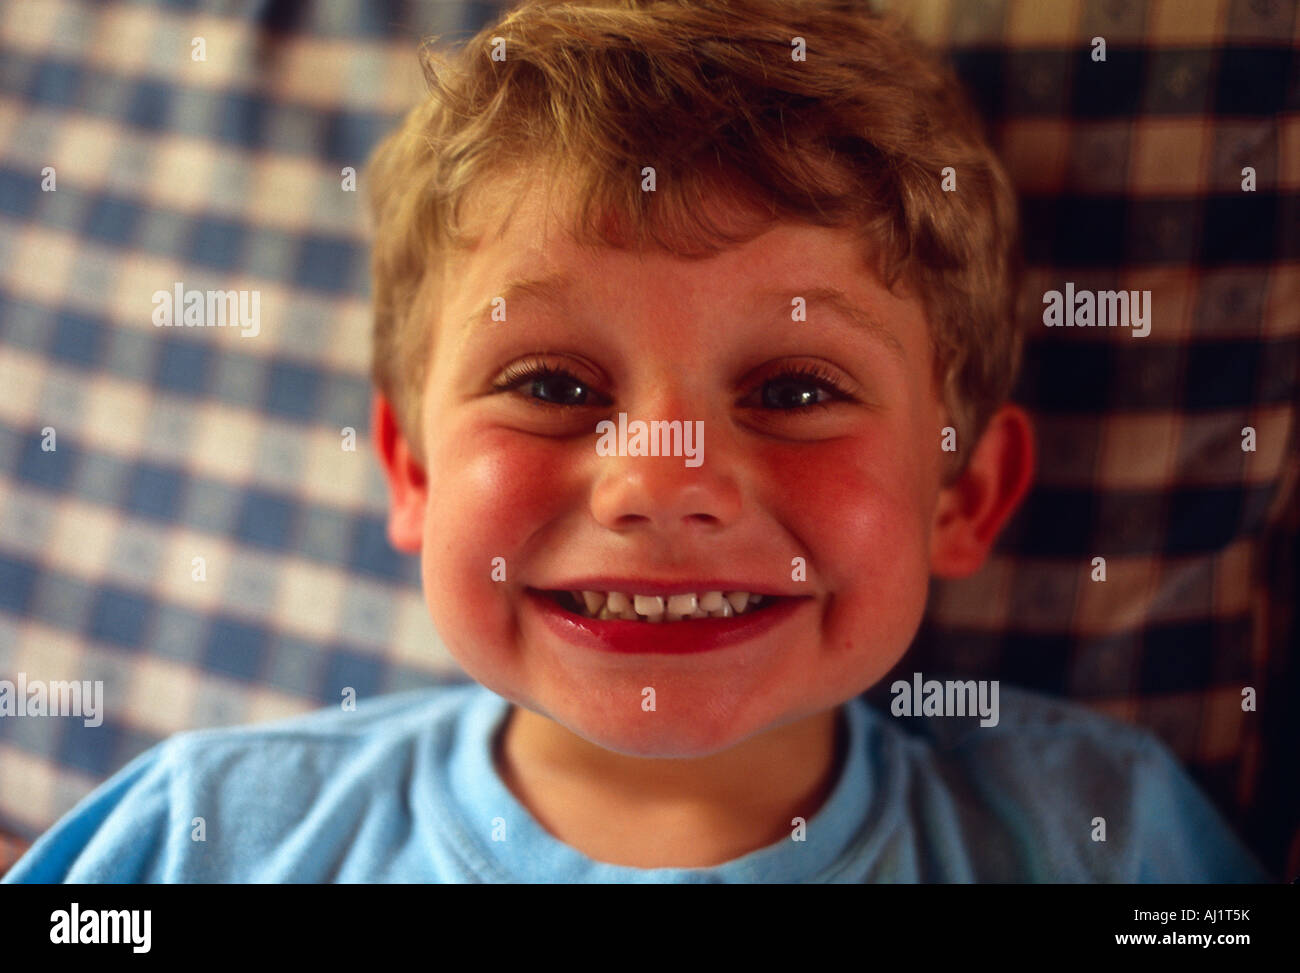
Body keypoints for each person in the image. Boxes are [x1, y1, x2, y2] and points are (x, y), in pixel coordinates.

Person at [4, 0, 1269, 883]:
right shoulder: (205, 833)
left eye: (793, 389)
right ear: (412, 471)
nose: (661, 479)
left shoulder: (1101, 828)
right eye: (551, 381)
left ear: (963, 493)